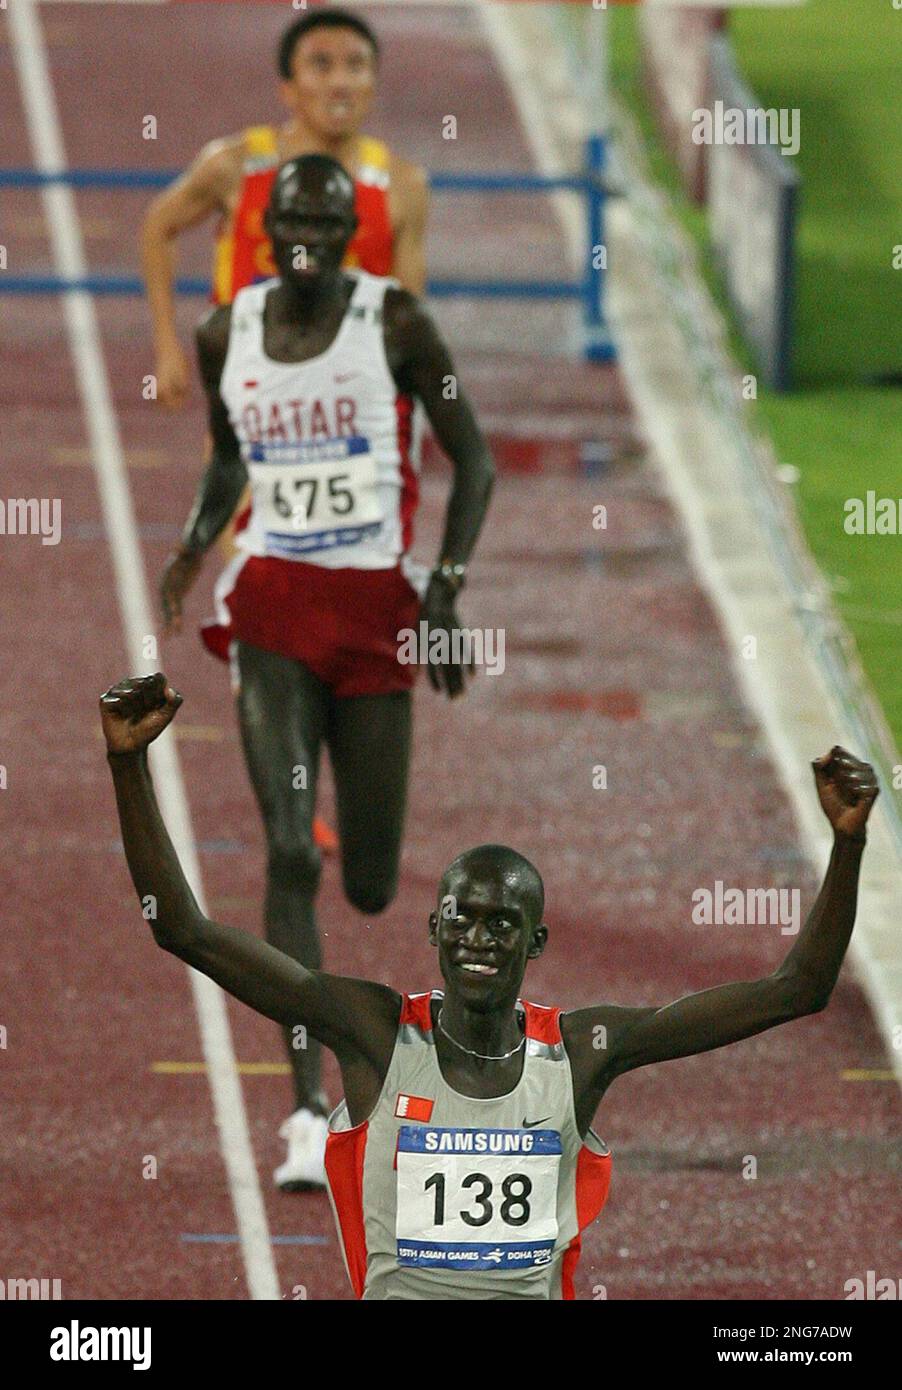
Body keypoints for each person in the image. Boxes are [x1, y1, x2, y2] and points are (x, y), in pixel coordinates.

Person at [101, 672, 879, 1299]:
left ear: (535, 941)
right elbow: (183, 928)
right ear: (433, 932)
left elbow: (796, 989)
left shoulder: (583, 1052)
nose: (478, 936)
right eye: (461, 919)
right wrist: (127, 764)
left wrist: (847, 846)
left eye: (501, 923)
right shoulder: (374, 1032)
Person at [157, 155, 494, 1191]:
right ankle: (308, 1110)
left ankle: (341, 837)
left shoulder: (396, 326)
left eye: (326, 216)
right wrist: (193, 540)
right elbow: (227, 454)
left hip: (376, 612)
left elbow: (470, 458)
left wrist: (441, 592)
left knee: (371, 878)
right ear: (265, 228)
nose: (305, 228)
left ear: (352, 233)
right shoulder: (227, 331)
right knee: (287, 855)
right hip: (272, 609)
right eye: (290, 213)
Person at [141, 7, 428, 409]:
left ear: (374, 85)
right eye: (321, 66)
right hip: (252, 395)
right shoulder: (234, 166)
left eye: (356, 66)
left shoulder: (403, 185)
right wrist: (167, 344)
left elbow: (409, 307)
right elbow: (158, 226)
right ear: (288, 89)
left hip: (353, 400)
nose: (341, 83)